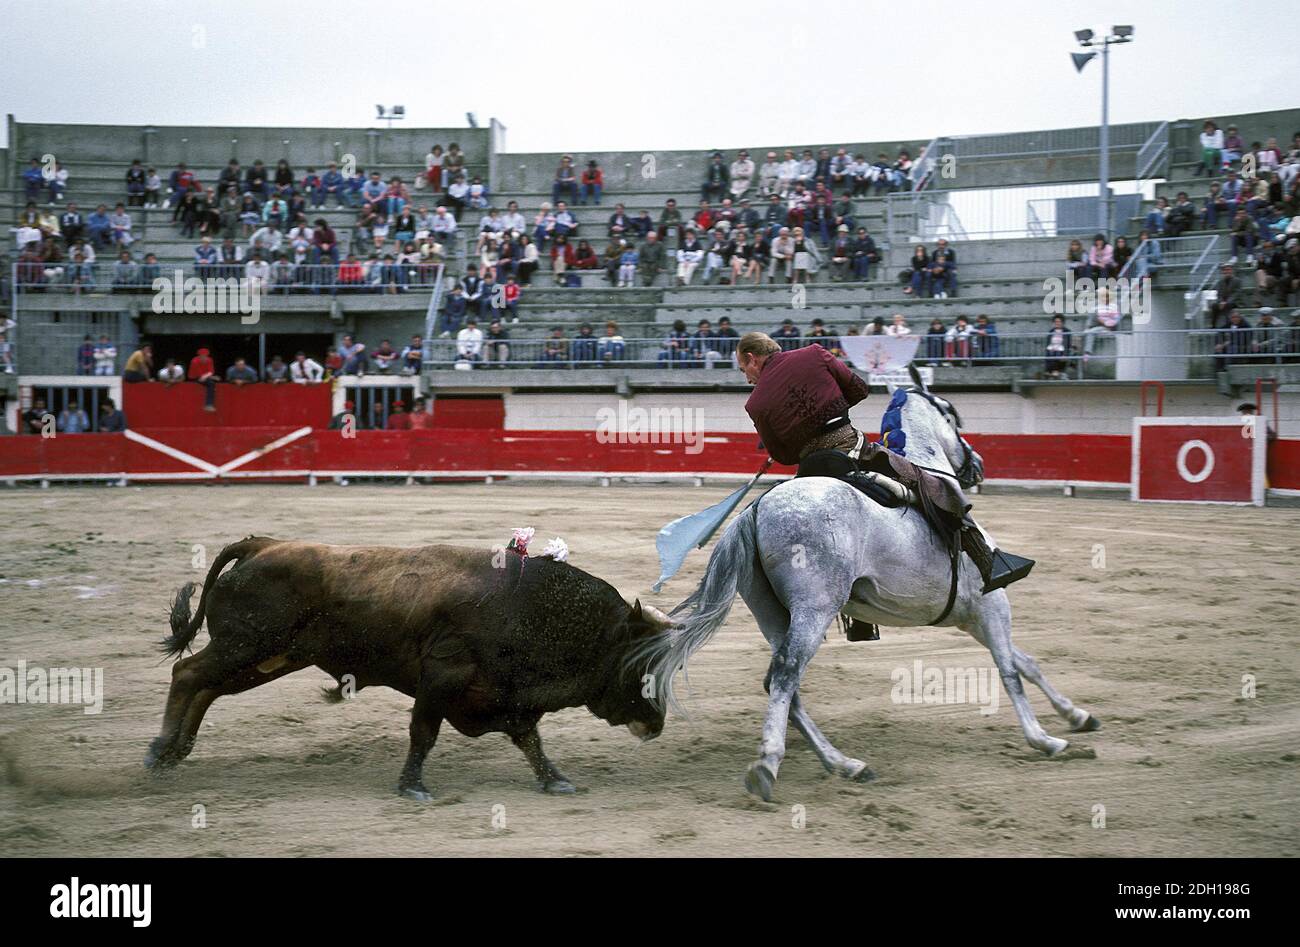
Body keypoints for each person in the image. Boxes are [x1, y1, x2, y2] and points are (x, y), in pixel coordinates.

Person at [736, 332, 1032, 641]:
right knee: (930, 484)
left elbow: (782, 455)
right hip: (852, 450)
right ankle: (988, 561)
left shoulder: (755, 403)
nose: (748, 379)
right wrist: (833, 410)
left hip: (811, 470)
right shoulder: (813, 353)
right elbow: (858, 390)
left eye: (744, 371)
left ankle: (856, 617)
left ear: (750, 358)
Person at [188, 346, 219, 411]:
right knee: (211, 383)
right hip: (195, 377)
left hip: (205, 376)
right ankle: (208, 405)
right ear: (199, 356)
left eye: (205, 356)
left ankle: (209, 404)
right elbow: (200, 377)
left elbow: (211, 371)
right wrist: (211, 377)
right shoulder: (194, 361)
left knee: (213, 382)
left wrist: (210, 376)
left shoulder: (210, 360)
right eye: (202, 356)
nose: (204, 358)